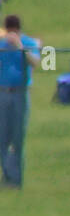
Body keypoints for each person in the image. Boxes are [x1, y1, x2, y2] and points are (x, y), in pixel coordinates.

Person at [0, 16, 40, 188]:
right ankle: (7, 175)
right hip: (2, 92)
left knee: (18, 137)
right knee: (2, 137)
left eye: (13, 31)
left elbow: (38, 63)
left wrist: (20, 47)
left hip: (20, 93)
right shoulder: (1, 44)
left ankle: (16, 179)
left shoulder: (28, 42)